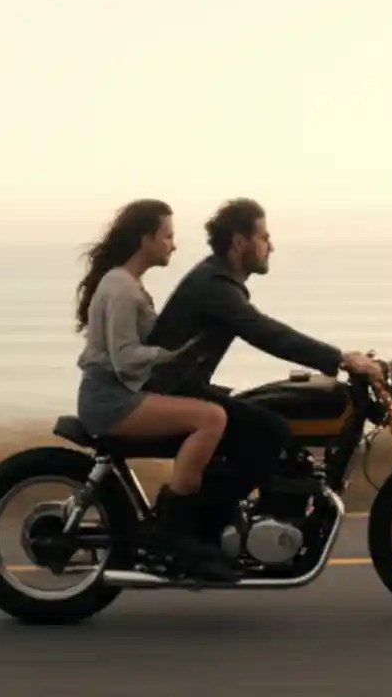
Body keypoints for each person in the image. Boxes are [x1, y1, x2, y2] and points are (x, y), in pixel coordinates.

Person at [142, 198, 384, 510]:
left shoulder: (216, 278)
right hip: (170, 392)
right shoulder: (215, 286)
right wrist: (339, 358)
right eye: (264, 237)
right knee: (271, 432)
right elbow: (264, 332)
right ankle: (196, 521)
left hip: (182, 387)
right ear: (240, 242)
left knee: (263, 414)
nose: (271, 246)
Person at [73, 198, 236, 580]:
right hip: (111, 399)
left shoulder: (125, 283)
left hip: (117, 393)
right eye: (167, 236)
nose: (173, 245)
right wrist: (173, 353)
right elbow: (125, 358)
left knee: (216, 406)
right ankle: (175, 532)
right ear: (146, 239)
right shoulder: (123, 289)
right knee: (211, 419)